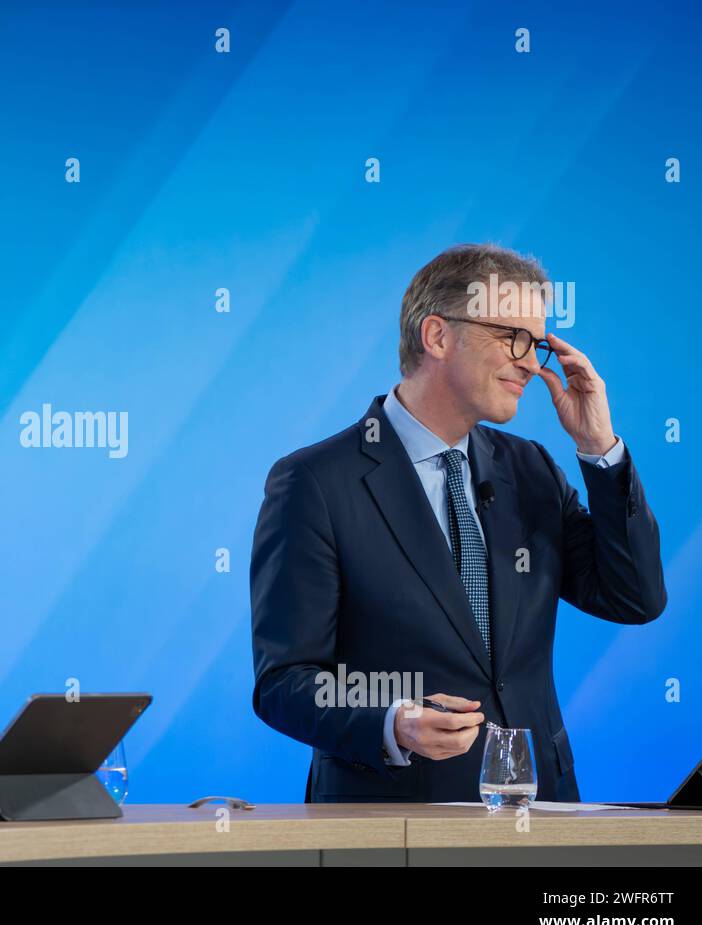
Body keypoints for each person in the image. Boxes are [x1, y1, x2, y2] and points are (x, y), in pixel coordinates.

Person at [250, 243, 666, 802]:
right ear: (438, 336)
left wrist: (599, 447)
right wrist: (393, 722)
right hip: (392, 824)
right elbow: (285, 682)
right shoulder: (315, 482)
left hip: (538, 815)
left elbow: (635, 598)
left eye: (537, 343)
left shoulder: (532, 468)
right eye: (511, 336)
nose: (530, 362)